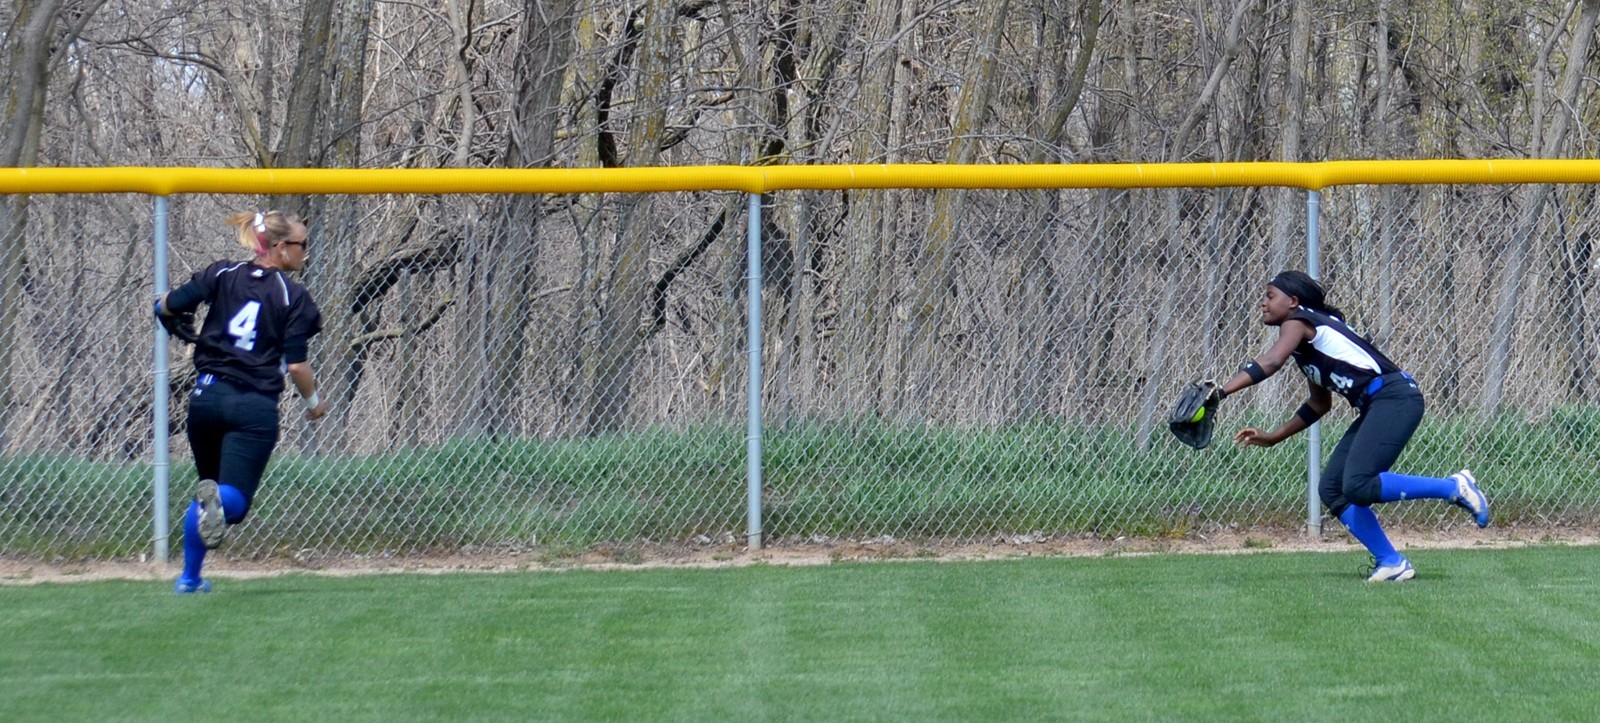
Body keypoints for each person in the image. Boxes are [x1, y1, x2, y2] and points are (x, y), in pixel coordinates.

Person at [1217, 270, 1488, 582]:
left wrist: (1221, 391)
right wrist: (1274, 436)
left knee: (1358, 485)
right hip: (1377, 405)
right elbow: (1320, 404)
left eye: (1269, 296)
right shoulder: (1306, 351)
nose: (1263, 303)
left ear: (1293, 302)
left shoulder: (1300, 321)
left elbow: (1270, 362)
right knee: (1333, 489)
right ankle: (1391, 562)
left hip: (1395, 398)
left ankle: (1454, 488)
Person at [154, 210, 328, 594]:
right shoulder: (292, 295)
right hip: (252, 404)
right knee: (231, 502)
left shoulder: (222, 274)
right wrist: (314, 402)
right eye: (303, 244)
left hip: (206, 397)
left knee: (210, 493)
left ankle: (189, 579)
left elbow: (172, 303)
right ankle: (213, 518)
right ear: (280, 249)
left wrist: (163, 309)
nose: (306, 253)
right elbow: (297, 365)